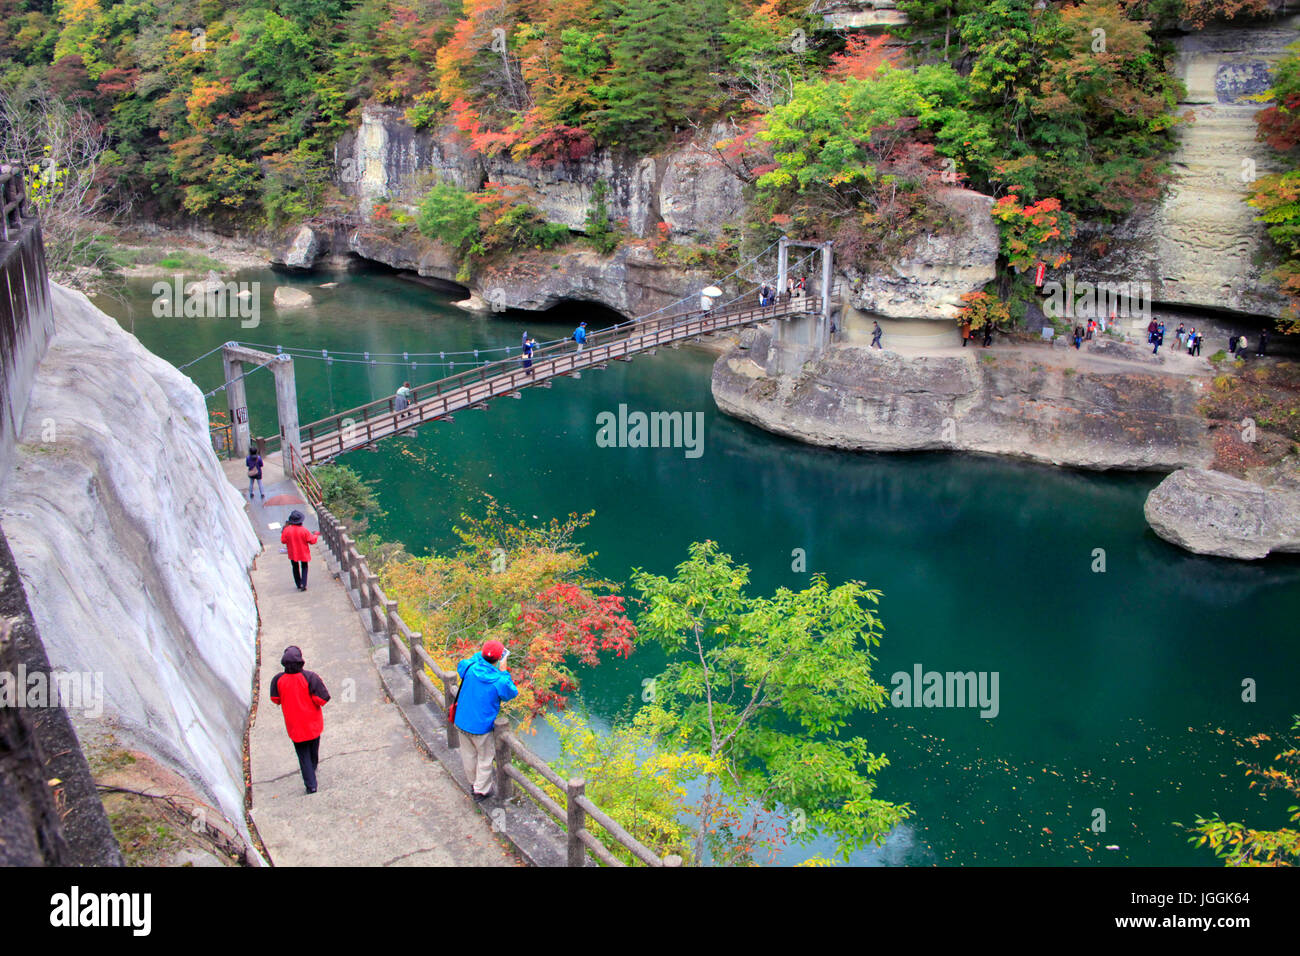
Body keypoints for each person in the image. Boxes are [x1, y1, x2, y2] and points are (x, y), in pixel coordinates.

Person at [453, 639, 519, 800]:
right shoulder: (499, 680)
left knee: (468, 754)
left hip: (461, 720)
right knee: (485, 757)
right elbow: (511, 693)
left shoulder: (469, 668)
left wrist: (482, 656)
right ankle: (480, 790)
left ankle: (472, 781)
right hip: (481, 726)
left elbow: (462, 664)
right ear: (499, 659)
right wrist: (503, 670)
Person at [269, 645, 330, 794]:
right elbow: (322, 699)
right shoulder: (310, 677)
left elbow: (275, 699)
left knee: (303, 756)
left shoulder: (278, 680)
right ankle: (313, 766)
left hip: (295, 725)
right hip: (312, 723)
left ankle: (311, 785)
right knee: (313, 748)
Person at [281, 509, 319, 592]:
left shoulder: (287, 530)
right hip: (303, 551)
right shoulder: (304, 530)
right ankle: (303, 584)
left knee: (295, 567)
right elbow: (312, 541)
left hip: (292, 552)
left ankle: (298, 583)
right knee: (304, 567)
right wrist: (315, 535)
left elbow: (283, 540)